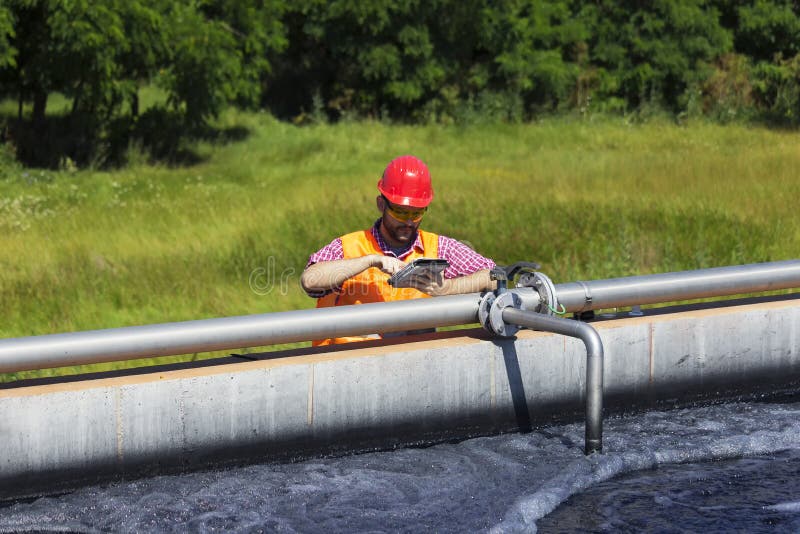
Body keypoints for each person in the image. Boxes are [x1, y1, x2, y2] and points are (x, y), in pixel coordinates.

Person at [301, 155, 496, 345]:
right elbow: (310, 281)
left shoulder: (439, 248)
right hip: (346, 366)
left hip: (413, 366)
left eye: (417, 213)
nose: (409, 221)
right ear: (381, 204)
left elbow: (494, 277)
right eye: (400, 212)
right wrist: (369, 261)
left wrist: (447, 288)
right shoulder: (349, 247)